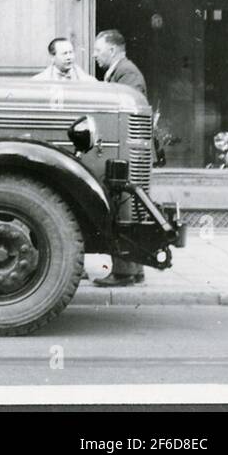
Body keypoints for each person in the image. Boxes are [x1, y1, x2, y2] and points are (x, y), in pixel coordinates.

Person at [92, 29, 147, 287]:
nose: (94, 55)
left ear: (112, 50)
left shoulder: (128, 73)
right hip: (123, 152)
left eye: (98, 50)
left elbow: (126, 111)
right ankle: (133, 270)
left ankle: (125, 272)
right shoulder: (120, 70)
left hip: (125, 152)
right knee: (125, 207)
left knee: (123, 209)